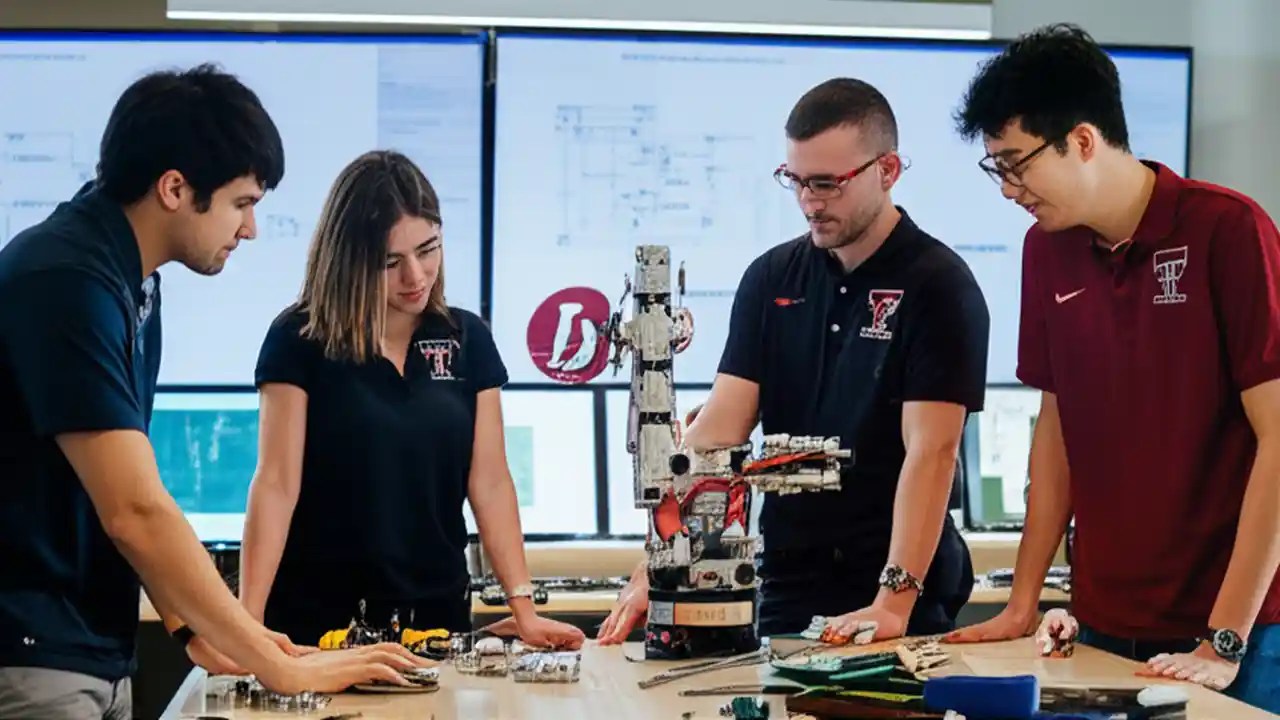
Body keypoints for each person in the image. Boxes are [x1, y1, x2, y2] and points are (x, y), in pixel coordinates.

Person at [0, 65, 425, 720]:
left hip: (89, 648)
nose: (250, 228)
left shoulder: (130, 281)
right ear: (175, 188)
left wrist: (211, 632)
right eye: (242, 203)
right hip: (34, 652)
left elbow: (110, 496)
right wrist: (276, 666)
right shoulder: (65, 281)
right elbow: (134, 511)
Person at [945, 23, 1280, 713]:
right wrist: (1023, 601)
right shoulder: (1046, 251)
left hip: (1236, 634)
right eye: (996, 168)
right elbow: (1057, 427)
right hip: (1103, 625)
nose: (1008, 190)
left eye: (1016, 163)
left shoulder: (1229, 231)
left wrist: (1225, 640)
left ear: (1085, 140)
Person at [598, 78, 990, 645]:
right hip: (790, 575)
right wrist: (656, 567)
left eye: (828, 183)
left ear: (889, 170)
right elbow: (717, 433)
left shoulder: (940, 287)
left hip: (899, 583)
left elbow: (931, 453)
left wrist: (893, 604)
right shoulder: (770, 279)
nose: (810, 201)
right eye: (797, 181)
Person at [238, 149, 586, 652]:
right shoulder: (300, 339)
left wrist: (523, 609)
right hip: (317, 630)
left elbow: (489, 481)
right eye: (391, 262)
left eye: (429, 250)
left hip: (436, 624)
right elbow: (275, 485)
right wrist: (248, 623)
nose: (416, 277)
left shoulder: (467, 339)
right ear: (350, 260)